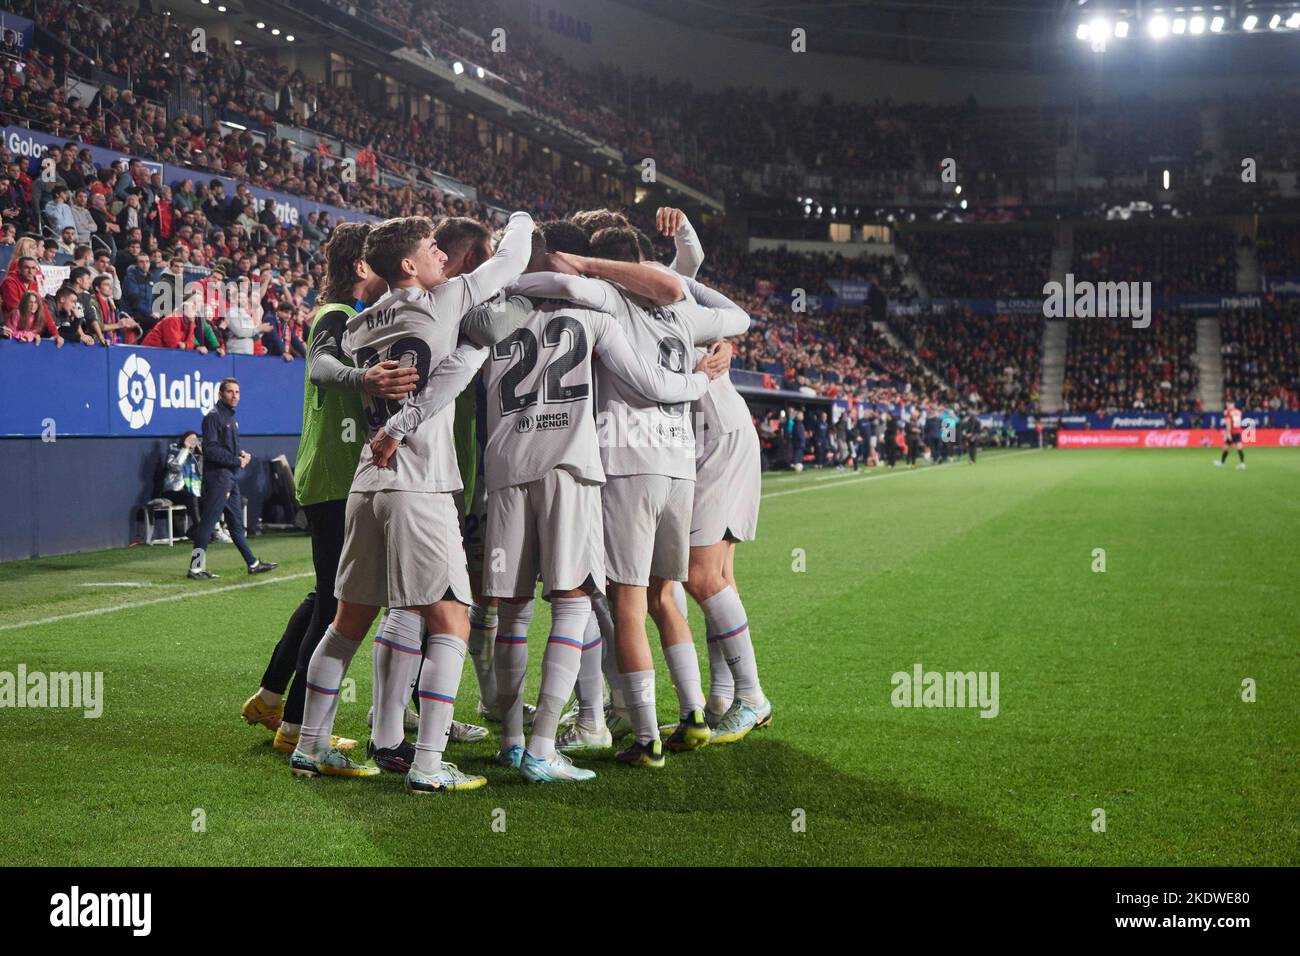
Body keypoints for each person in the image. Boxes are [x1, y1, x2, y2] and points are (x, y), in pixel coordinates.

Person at [448, 219, 719, 780]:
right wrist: (700, 379)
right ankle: (546, 745)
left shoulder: (490, 311)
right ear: (568, 259)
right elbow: (651, 384)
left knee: (512, 612)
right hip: (569, 468)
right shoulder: (594, 313)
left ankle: (513, 739)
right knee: (572, 602)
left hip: (504, 473)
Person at [290, 210, 534, 793]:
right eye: (431, 248)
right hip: (418, 483)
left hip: (367, 483)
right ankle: (427, 764)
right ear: (408, 264)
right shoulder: (445, 298)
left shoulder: (362, 321)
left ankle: (309, 747)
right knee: (450, 618)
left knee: (347, 622)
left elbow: (327, 364)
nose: (441, 256)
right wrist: (520, 217)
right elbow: (514, 259)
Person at [240, 222, 418, 757]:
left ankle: (274, 696)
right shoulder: (337, 316)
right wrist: (365, 380)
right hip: (337, 476)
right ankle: (296, 726)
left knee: (326, 592)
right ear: (361, 267)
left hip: (334, 475)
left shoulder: (350, 318)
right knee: (338, 601)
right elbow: (320, 367)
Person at [187, 378, 278, 580]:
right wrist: (237, 460)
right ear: (221, 394)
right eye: (230, 392)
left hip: (230, 478)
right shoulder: (213, 417)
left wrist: (240, 455)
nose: (235, 395)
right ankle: (194, 569)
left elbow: (226, 448)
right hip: (218, 479)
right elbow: (209, 450)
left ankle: (252, 563)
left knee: (236, 525)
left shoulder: (230, 417)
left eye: (237, 392)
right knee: (207, 524)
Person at [162, 431, 203, 534]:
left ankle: (199, 529)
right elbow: (175, 467)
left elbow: (203, 475)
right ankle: (200, 530)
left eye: (195, 439)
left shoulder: (197, 457)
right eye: (190, 439)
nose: (193, 441)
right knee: (191, 497)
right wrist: (185, 449)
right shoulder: (174, 452)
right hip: (173, 491)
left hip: (192, 491)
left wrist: (203, 455)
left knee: (212, 499)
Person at [1216, 400, 1246, 470]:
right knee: (1238, 447)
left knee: (1227, 448)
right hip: (1238, 431)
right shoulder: (1239, 412)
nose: (1227, 407)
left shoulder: (1228, 412)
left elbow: (1228, 423)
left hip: (1232, 432)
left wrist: (1228, 433)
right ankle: (1242, 463)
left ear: (1231, 405)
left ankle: (1222, 463)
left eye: (1228, 405)